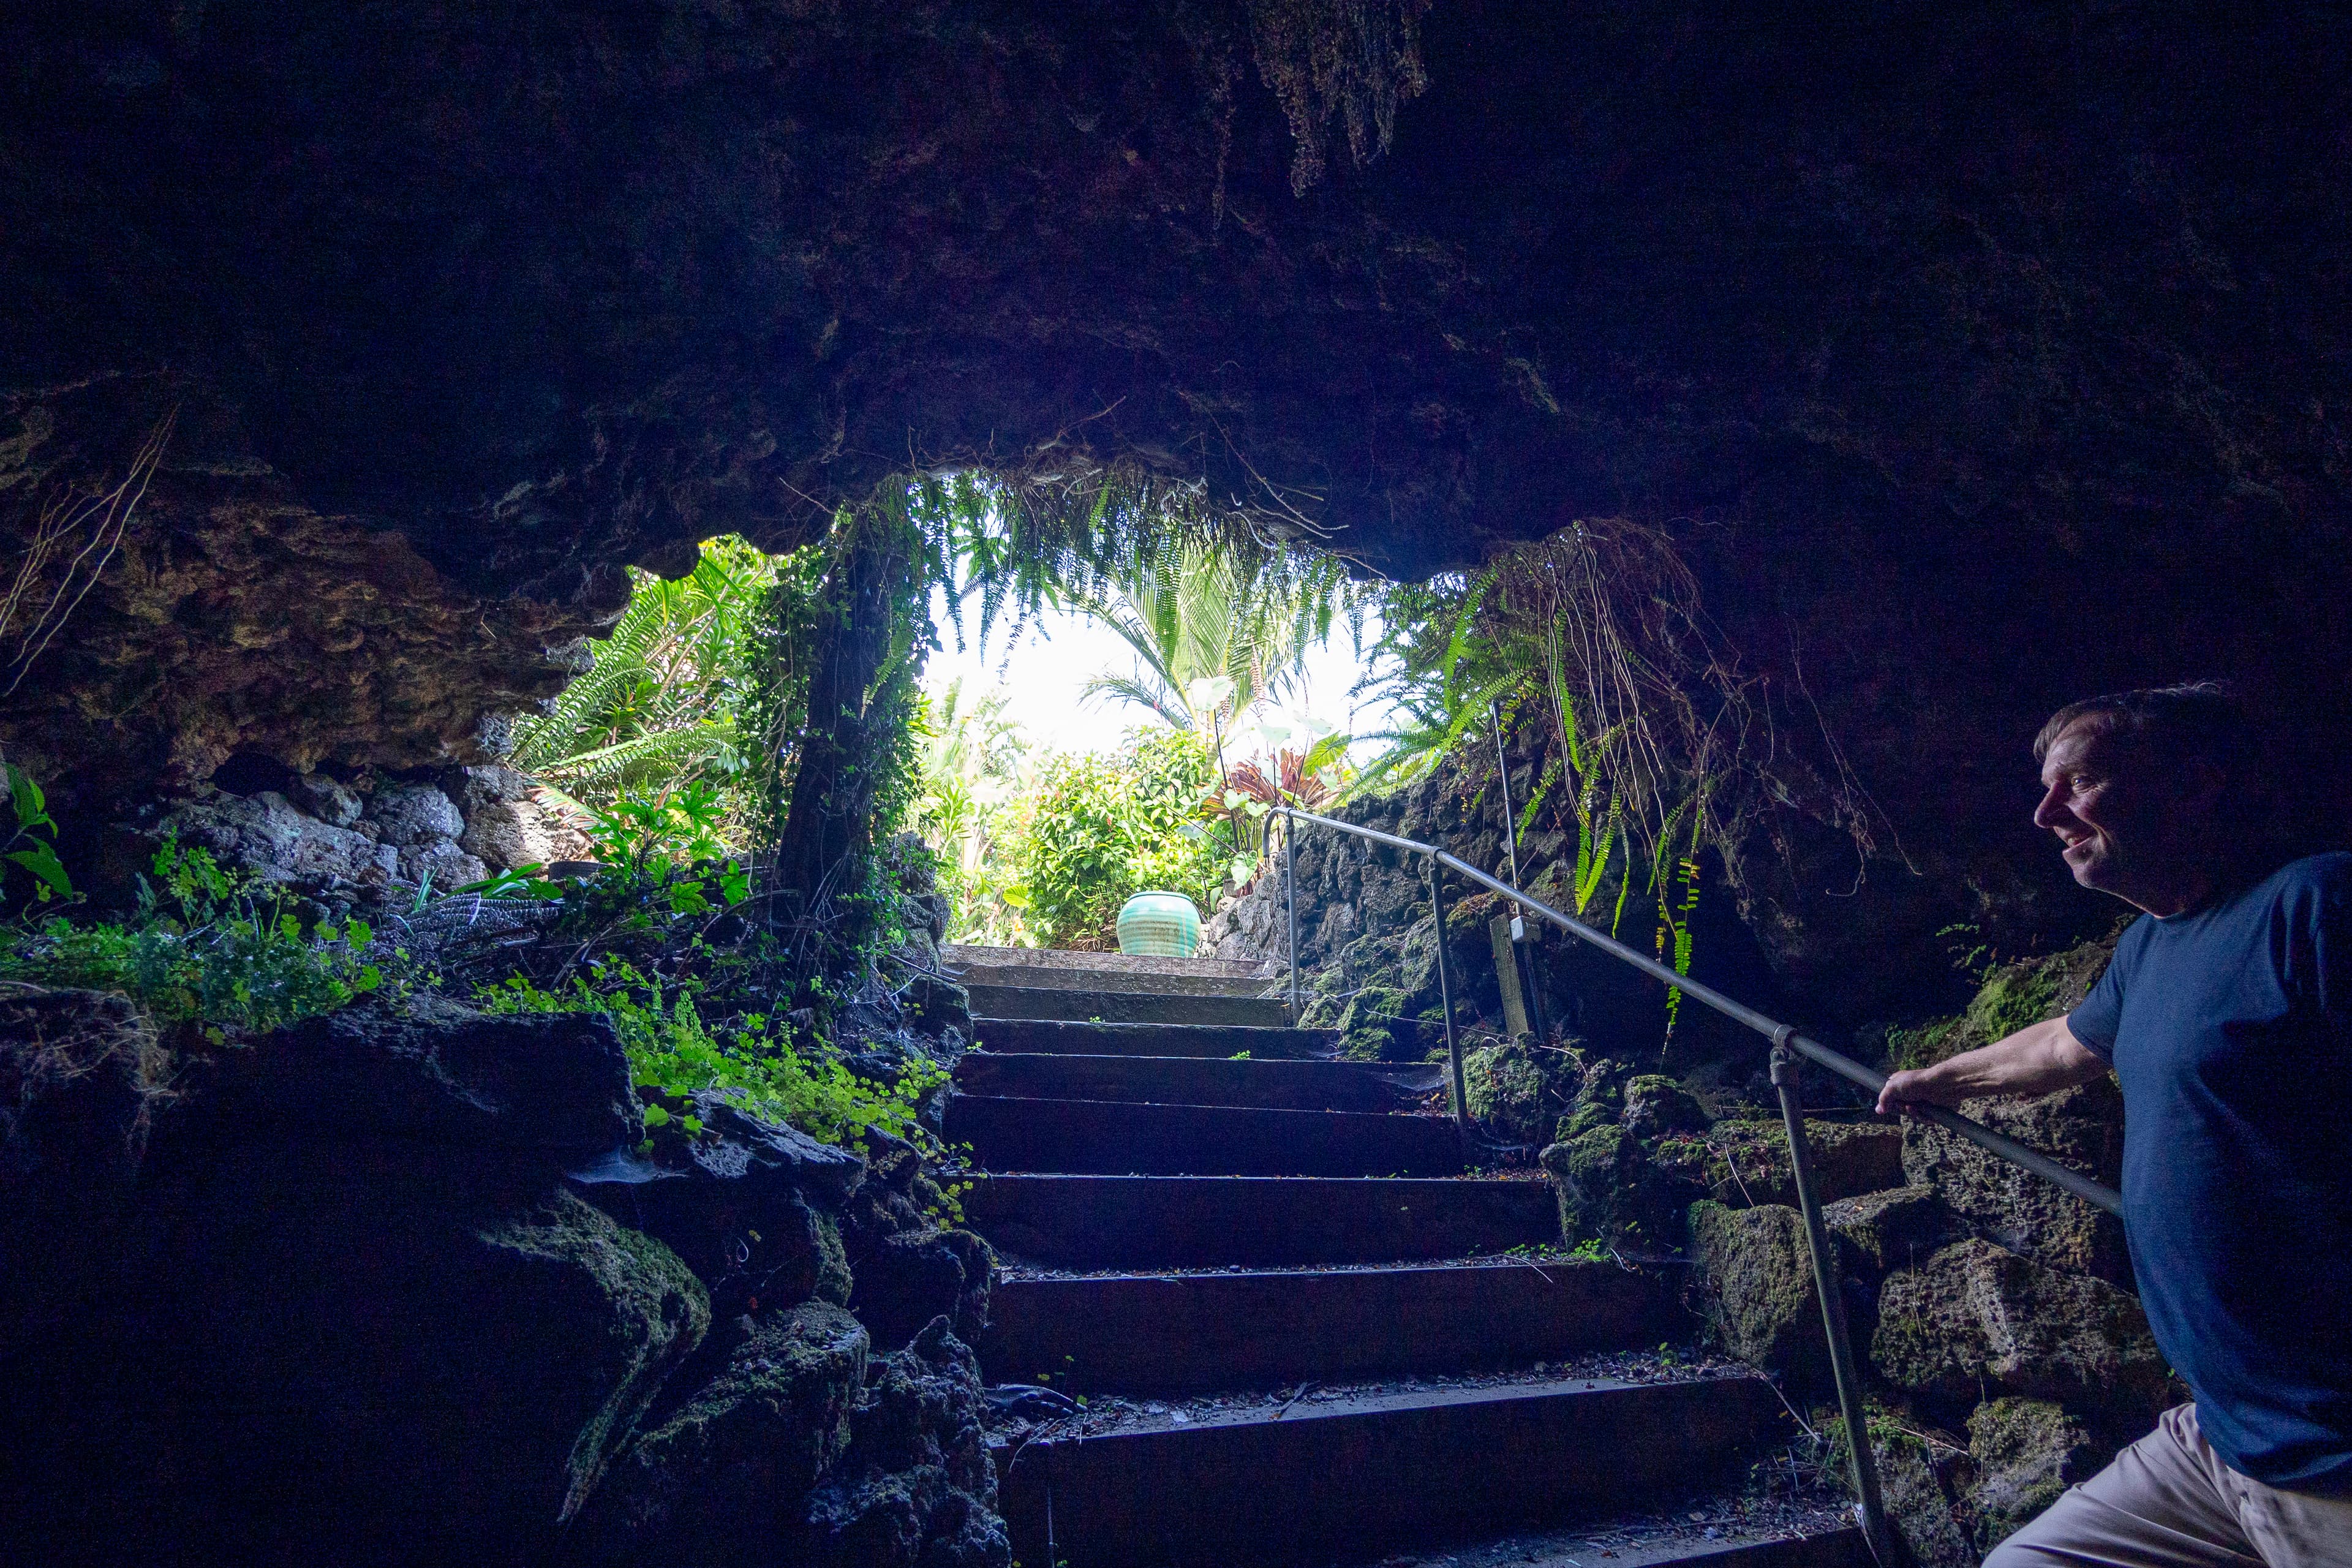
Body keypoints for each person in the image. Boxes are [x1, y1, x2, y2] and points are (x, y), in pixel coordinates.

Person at [1875, 683, 2352, 1566]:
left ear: (2198, 786)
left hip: (2330, 1452)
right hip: (2219, 1438)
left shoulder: (2316, 908)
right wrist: (1937, 1080)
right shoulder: (2150, 946)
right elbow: (2064, 1044)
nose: (2045, 812)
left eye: (2081, 781)